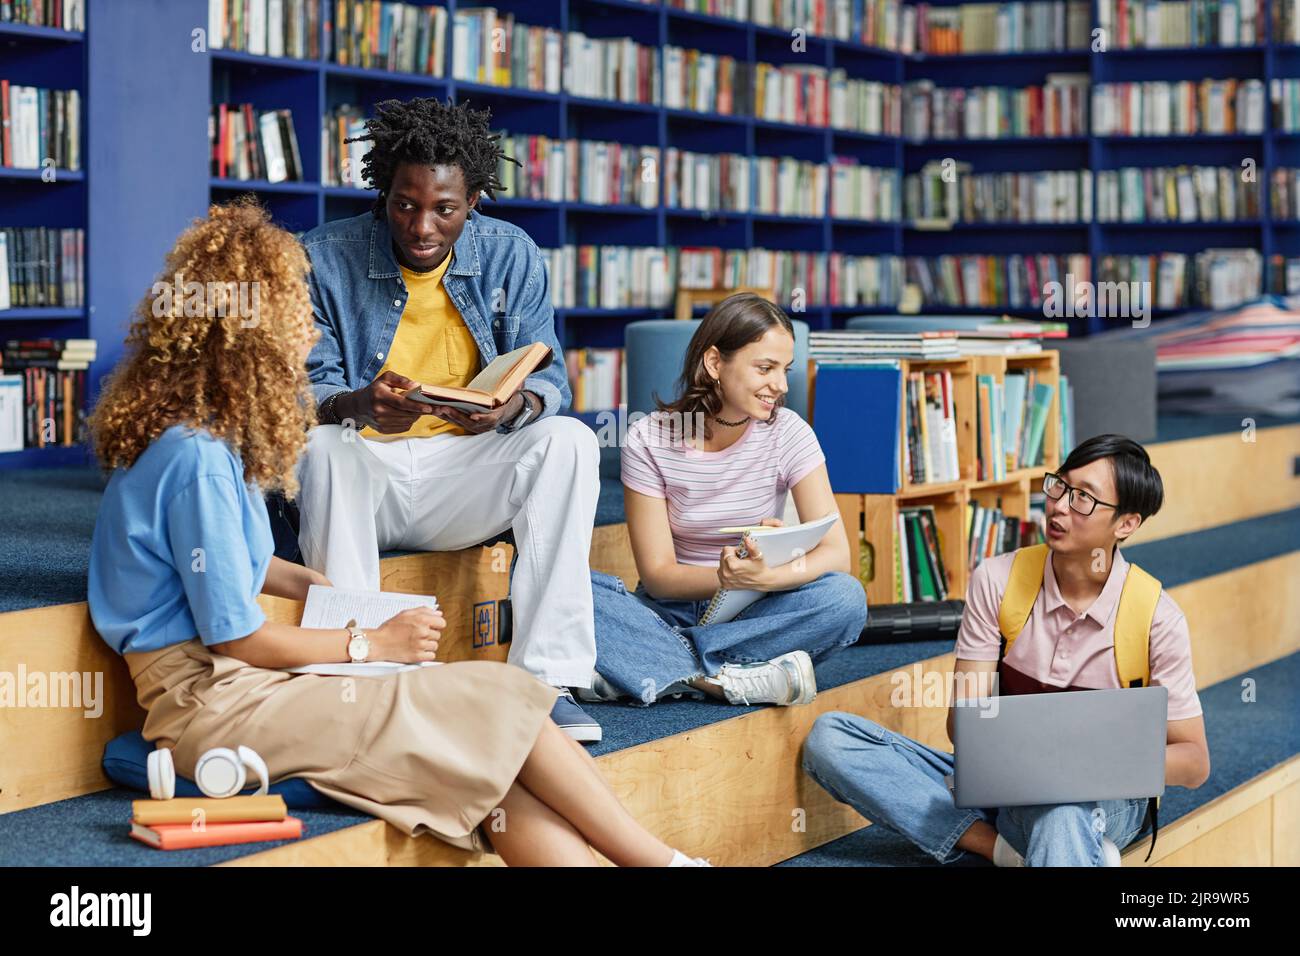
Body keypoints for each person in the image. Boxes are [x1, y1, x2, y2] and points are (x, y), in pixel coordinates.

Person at [85, 200, 707, 867]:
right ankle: (663, 865)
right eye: (294, 316)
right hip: (217, 707)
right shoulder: (198, 457)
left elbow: (236, 563)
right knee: (497, 698)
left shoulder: (198, 439)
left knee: (494, 773)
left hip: (237, 692)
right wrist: (367, 641)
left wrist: (311, 583)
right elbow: (236, 636)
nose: (306, 336)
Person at [295, 96, 601, 741]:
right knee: (323, 446)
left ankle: (546, 682)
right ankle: (364, 676)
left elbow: (548, 379)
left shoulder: (510, 254)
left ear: (475, 200)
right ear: (383, 192)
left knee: (569, 441)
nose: (423, 226)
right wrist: (357, 404)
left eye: (445, 209)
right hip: (362, 472)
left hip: (463, 473)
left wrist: (506, 409)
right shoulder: (323, 257)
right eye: (405, 204)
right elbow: (299, 395)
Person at [802, 435, 1212, 866]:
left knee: (1059, 810)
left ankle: (1044, 838)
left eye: (1083, 499)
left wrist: (1078, 767)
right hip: (1004, 785)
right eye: (1059, 486)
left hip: (1107, 802)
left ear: (1126, 524)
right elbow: (962, 724)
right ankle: (1006, 851)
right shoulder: (997, 579)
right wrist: (1015, 759)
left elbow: (1194, 761)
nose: (1058, 506)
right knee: (832, 740)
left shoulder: (1156, 617)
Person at [580, 294, 867, 708]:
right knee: (571, 587)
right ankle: (729, 678)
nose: (781, 386)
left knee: (844, 598)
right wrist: (728, 576)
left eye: (784, 370)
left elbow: (838, 554)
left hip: (757, 610)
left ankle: (661, 667)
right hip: (670, 609)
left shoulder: (789, 433)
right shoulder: (648, 439)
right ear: (715, 363)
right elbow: (659, 575)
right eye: (765, 368)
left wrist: (769, 576)